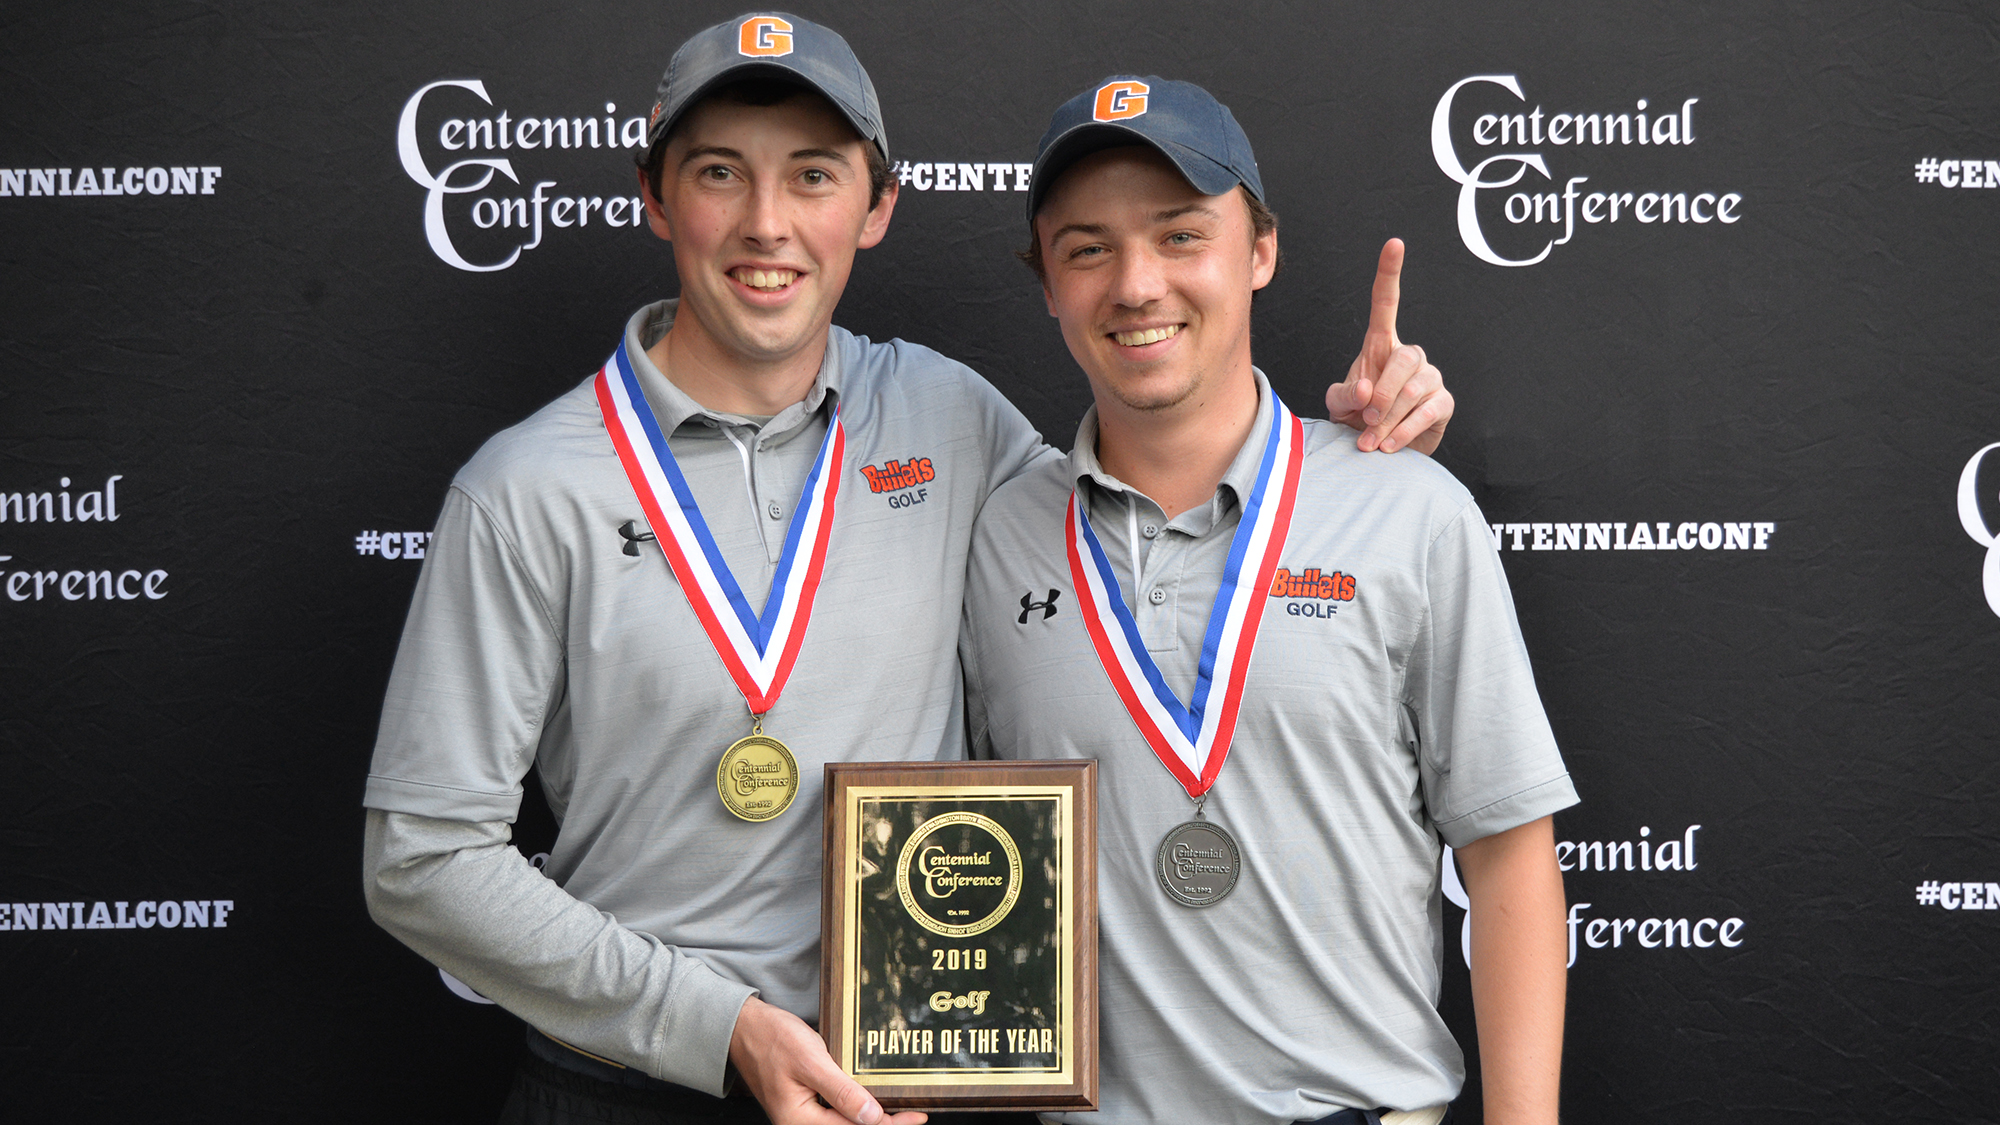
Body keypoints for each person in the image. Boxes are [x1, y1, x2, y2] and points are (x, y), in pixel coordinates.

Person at [362, 15, 1452, 1125]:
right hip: (628, 1085)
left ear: (874, 208)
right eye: (719, 173)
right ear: (654, 196)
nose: (767, 222)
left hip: (916, 1087)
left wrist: (1342, 468)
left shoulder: (951, 419)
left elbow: (1144, 513)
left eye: (814, 175)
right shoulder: (522, 489)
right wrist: (719, 1028)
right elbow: (423, 861)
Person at [959, 77, 1577, 1125]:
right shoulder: (995, 536)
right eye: (1086, 248)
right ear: (1047, 285)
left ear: (1259, 253)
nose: (1136, 284)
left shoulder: (1407, 511)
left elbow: (1508, 855)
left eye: (1180, 235)